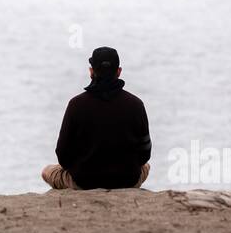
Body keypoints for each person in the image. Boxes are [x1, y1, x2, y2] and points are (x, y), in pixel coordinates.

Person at [41, 46, 151, 190]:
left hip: (84, 182)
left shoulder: (76, 105)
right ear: (118, 71)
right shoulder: (136, 104)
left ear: (91, 71)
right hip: (127, 180)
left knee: (47, 171)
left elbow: (62, 155)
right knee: (146, 166)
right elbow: (145, 155)